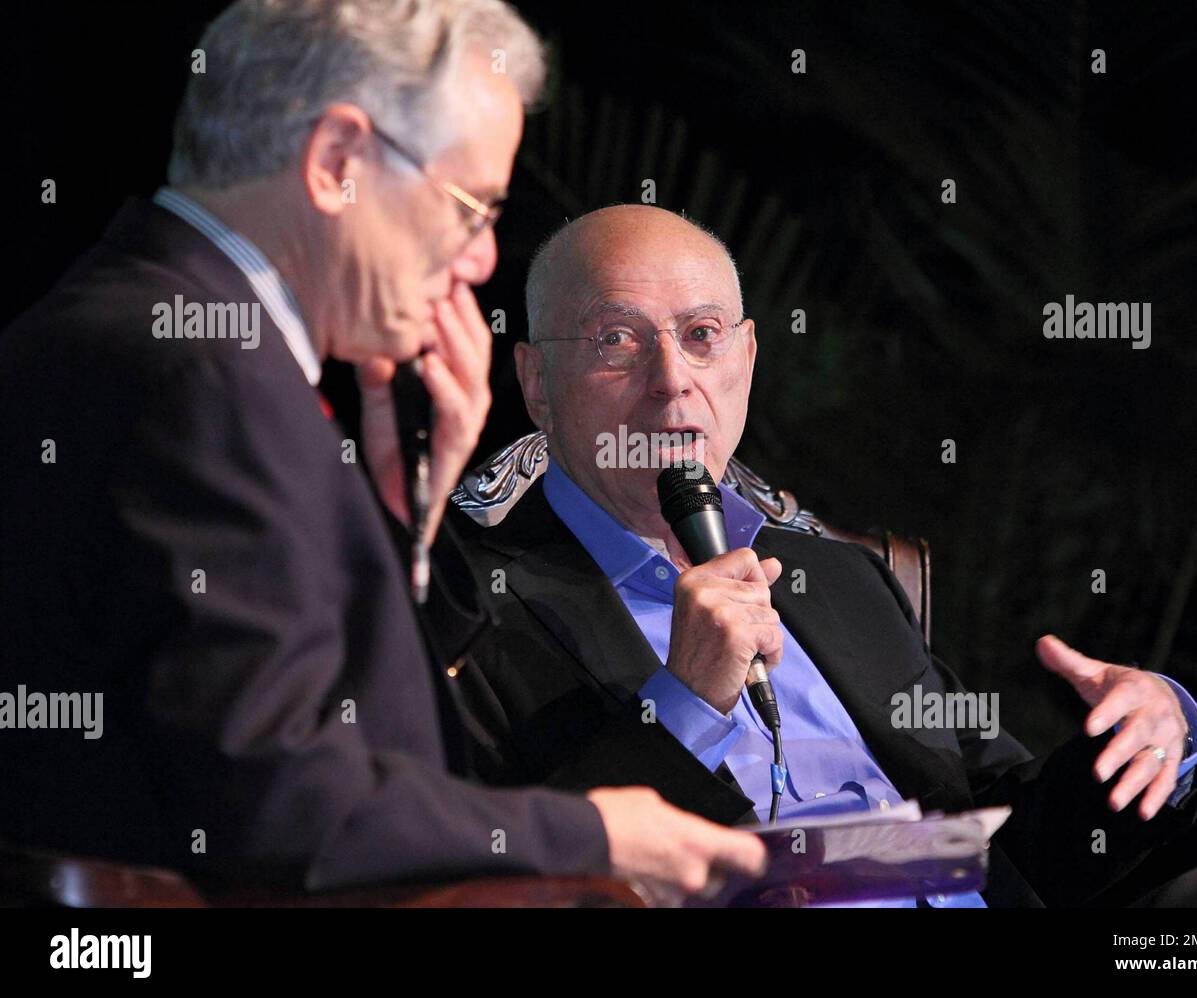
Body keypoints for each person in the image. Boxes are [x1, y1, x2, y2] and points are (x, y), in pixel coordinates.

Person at [0, 1, 764, 901]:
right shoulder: (205, 375)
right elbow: (285, 810)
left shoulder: (141, 324)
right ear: (336, 163)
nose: (482, 258)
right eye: (470, 206)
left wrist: (409, 520)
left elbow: (331, 743)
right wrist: (600, 828)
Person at [446, 204, 1197, 907]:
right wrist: (684, 705)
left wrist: (1146, 742)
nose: (672, 380)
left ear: (745, 359)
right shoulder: (471, 611)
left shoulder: (839, 579)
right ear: (534, 382)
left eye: (702, 334)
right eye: (616, 342)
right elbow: (515, 883)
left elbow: (1000, 836)